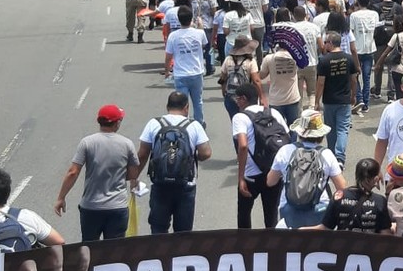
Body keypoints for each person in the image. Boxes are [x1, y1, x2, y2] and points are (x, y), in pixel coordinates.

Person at [54, 104, 140, 241]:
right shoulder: (127, 144)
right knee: (114, 252)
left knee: (89, 249)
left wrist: (61, 198)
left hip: (91, 207)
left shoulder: (87, 143)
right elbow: (133, 175)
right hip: (117, 207)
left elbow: (73, 172)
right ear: (117, 123)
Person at [135, 91, 212, 234]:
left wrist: (134, 177)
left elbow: (143, 153)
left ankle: (158, 255)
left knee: (158, 228)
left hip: (160, 184)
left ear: (167, 106)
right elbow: (206, 153)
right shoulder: (194, 125)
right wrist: (191, 156)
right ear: (186, 107)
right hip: (186, 185)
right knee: (183, 233)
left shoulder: (154, 123)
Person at [266, 109, 347, 228]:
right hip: (319, 211)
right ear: (321, 135)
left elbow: (270, 181)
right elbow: (342, 187)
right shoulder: (327, 154)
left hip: (289, 212)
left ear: (299, 133)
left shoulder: (285, 151)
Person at [231, 83, 288, 229]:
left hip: (251, 174)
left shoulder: (240, 117)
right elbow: (287, 138)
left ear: (244, 99)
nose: (236, 102)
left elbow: (243, 145)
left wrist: (241, 177)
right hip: (273, 173)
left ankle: (245, 247)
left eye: (237, 99)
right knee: (271, 214)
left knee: (244, 213)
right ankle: (271, 247)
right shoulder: (273, 113)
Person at [304, 158, 392, 235]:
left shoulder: (339, 196)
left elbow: (325, 228)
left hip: (343, 250)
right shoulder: (380, 201)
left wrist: (299, 231)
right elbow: (385, 234)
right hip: (369, 251)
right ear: (376, 179)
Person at [315, 30, 358, 167]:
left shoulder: (324, 61)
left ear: (331, 43)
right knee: (343, 128)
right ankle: (340, 157)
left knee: (331, 129)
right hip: (344, 99)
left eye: (326, 42)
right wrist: (353, 95)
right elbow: (353, 79)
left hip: (329, 100)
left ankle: (332, 154)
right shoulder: (349, 58)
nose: (324, 44)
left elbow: (321, 82)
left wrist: (317, 101)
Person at [164, 6, 209, 127]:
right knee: (197, 101)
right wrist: (200, 26)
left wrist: (167, 71)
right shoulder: (199, 33)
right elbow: (204, 45)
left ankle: (183, 124)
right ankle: (199, 123)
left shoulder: (173, 36)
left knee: (181, 102)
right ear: (191, 19)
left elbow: (168, 56)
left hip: (180, 74)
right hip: (196, 73)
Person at [219, 35, 265, 124]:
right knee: (249, 122)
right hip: (246, 97)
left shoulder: (228, 59)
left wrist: (224, 91)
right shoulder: (251, 61)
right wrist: (261, 97)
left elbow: (222, 78)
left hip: (231, 97)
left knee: (236, 123)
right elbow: (256, 81)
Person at [260, 44, 302, 132]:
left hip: (276, 100)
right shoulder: (296, 58)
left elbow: (262, 76)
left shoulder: (269, 58)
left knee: (276, 129)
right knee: (293, 128)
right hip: (292, 98)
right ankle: (292, 145)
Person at [348, 0, 379, 113]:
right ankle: (365, 102)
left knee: (355, 75)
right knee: (367, 77)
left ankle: (359, 98)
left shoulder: (354, 15)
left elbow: (351, 31)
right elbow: (376, 29)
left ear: (358, 3)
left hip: (357, 48)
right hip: (370, 47)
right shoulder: (374, 14)